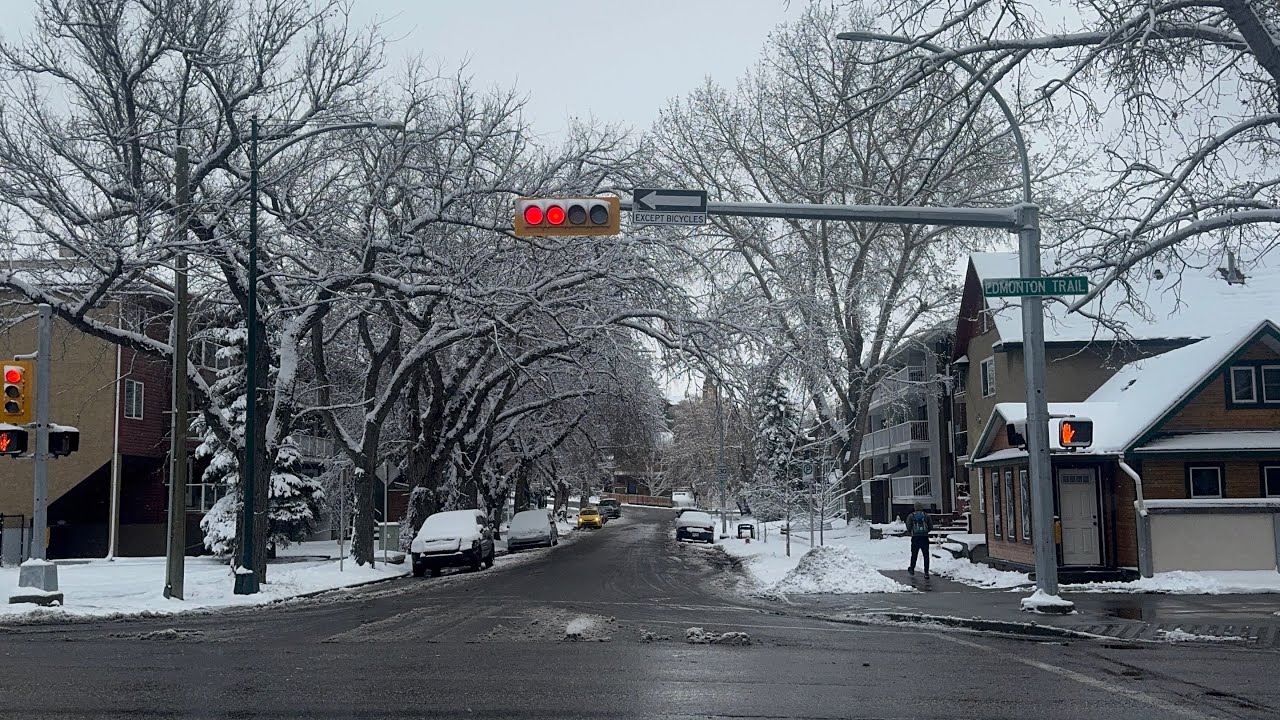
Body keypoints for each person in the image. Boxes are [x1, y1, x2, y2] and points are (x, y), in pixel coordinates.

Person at [906, 503, 933, 577]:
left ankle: (912, 569)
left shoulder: (911, 516)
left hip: (915, 537)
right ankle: (926, 572)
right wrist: (925, 532)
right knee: (926, 555)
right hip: (924, 537)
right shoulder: (926, 516)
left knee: (914, 554)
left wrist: (913, 532)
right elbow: (930, 526)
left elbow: (908, 526)